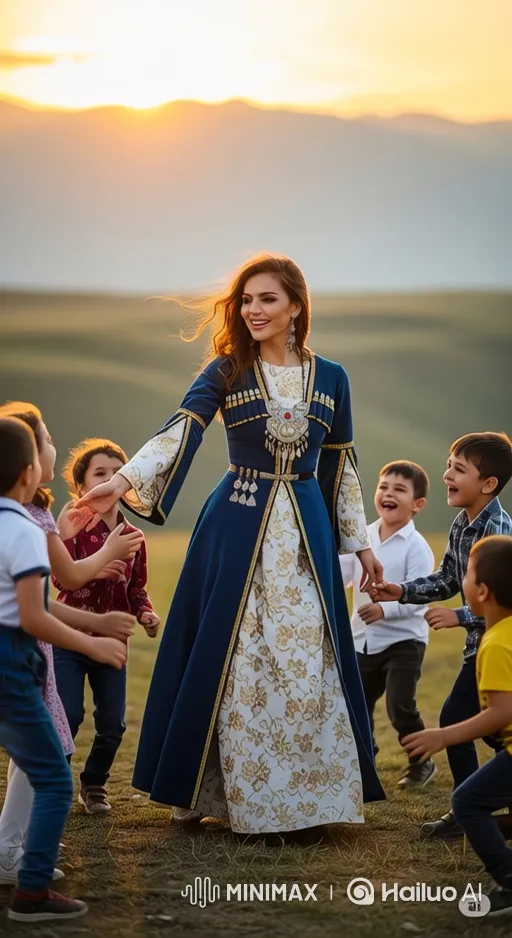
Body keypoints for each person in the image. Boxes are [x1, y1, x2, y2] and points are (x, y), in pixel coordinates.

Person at [77, 253, 385, 835]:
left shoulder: (334, 378)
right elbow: (180, 430)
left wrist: (360, 543)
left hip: (307, 537)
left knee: (305, 658)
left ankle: (310, 800)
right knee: (238, 657)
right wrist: (120, 481)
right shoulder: (225, 371)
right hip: (237, 528)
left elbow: (341, 466)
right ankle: (237, 796)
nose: (253, 311)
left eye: (267, 299)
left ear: (296, 305)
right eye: (246, 300)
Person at [0, 402, 139, 883]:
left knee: (40, 752)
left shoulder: (30, 517)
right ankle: (16, 861)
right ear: (28, 467)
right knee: (50, 764)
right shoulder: (27, 523)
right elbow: (57, 588)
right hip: (18, 656)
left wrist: (100, 626)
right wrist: (108, 552)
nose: (54, 445)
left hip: (24, 653)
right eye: (47, 439)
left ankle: (15, 839)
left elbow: (38, 595)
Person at [371, 432, 512, 837]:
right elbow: (449, 577)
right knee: (482, 729)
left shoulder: (498, 530)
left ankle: (470, 811)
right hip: (480, 648)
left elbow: (503, 598)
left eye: (459, 469)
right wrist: (403, 590)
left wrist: (459, 615)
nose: (447, 473)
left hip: (500, 646)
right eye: (449, 464)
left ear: (488, 484)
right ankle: (472, 810)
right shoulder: (462, 524)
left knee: (469, 724)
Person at [403, 536, 512, 918]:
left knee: (467, 803)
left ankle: (509, 879)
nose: (461, 579)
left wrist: (443, 736)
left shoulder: (497, 643)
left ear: (480, 592)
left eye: (465, 574)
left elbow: (501, 713)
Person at [52, 438, 160, 815]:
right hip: (68, 637)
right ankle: (55, 784)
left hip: (113, 643)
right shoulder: (69, 528)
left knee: (113, 724)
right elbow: (61, 583)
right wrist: (99, 563)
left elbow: (137, 588)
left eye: (118, 473)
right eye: (101, 473)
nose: (111, 480)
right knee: (68, 714)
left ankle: (94, 783)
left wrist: (146, 614)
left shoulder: (134, 537)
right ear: (82, 487)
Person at [341, 461, 435, 789]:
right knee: (357, 705)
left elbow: (421, 598)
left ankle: (421, 763)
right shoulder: (360, 537)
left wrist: (386, 611)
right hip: (362, 640)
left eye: (399, 489)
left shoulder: (416, 547)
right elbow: (343, 576)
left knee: (400, 705)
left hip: (404, 641)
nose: (388, 494)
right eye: (383, 487)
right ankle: (366, 760)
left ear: (417, 504)